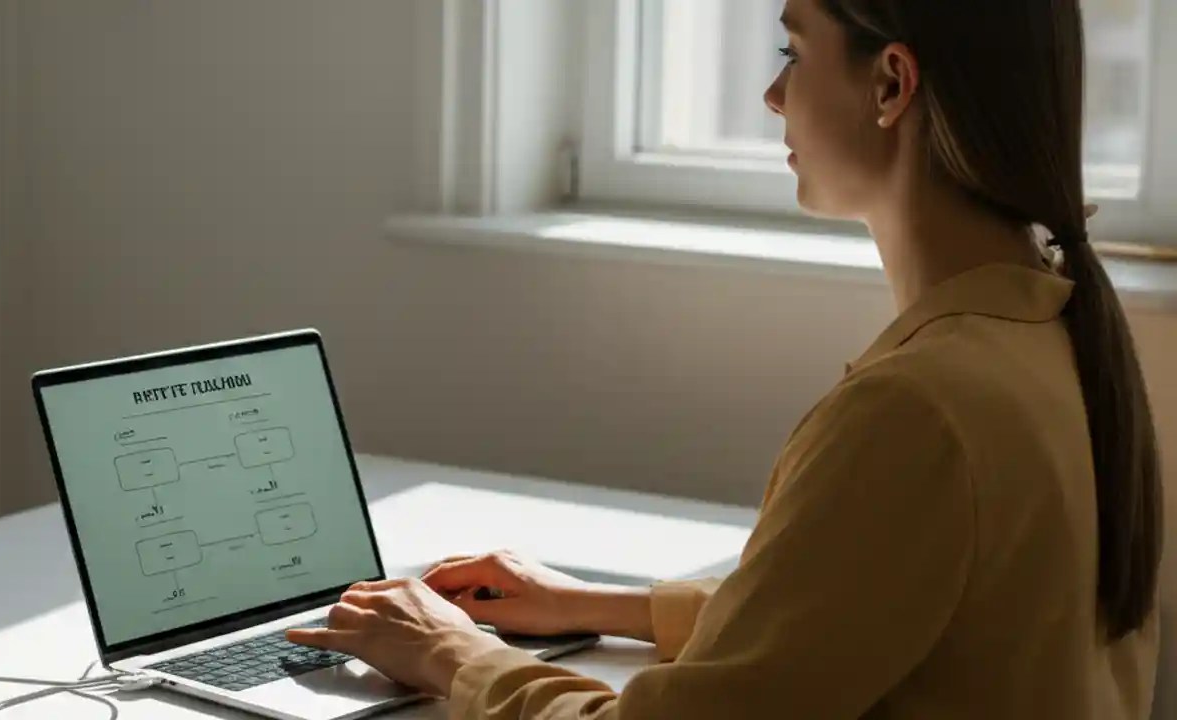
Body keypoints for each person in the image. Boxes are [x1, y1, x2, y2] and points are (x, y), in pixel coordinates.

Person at [286, 0, 1163, 716]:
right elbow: (853, 617)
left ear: (892, 83)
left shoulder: (918, 411)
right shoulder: (1054, 338)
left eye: (794, 50)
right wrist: (592, 603)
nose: (775, 95)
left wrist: (451, 653)